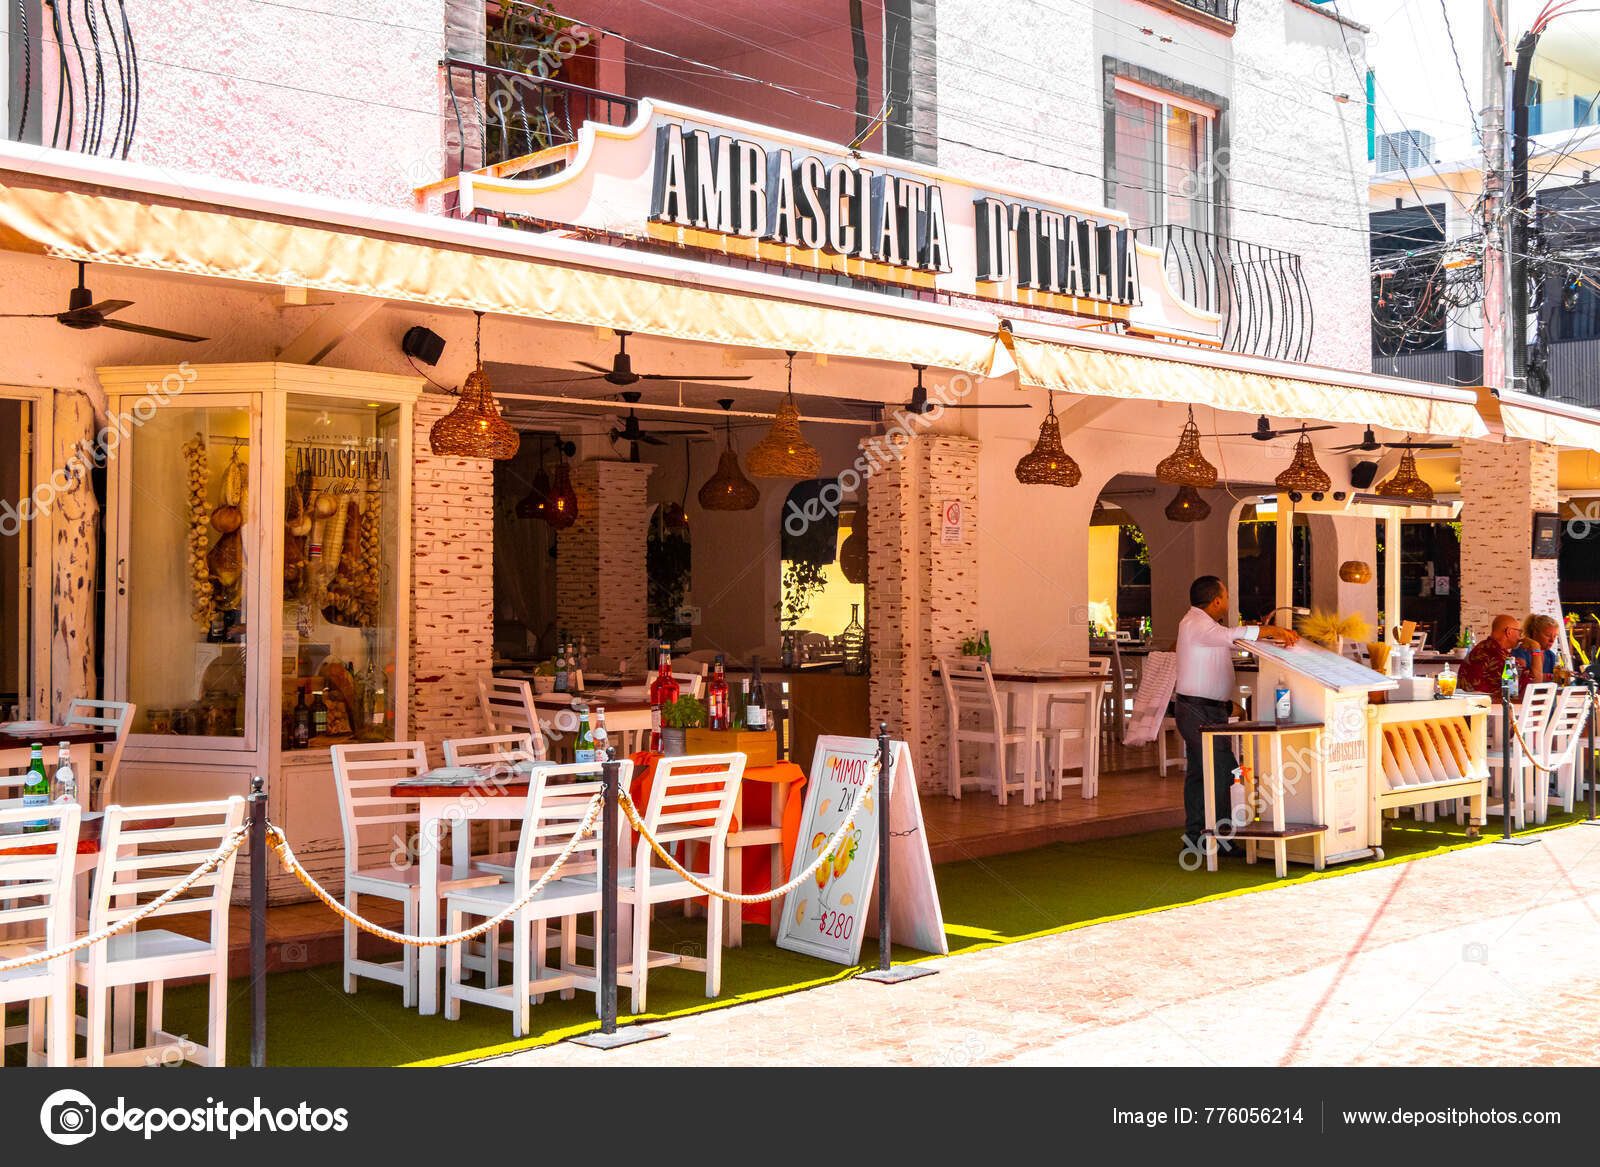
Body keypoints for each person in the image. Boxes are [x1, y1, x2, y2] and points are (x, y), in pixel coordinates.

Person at [1176, 576, 1298, 857]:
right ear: (1217, 600)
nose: (1229, 602)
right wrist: (1271, 630)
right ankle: (1219, 838)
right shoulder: (1196, 624)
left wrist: (1266, 634)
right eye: (1227, 596)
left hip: (1206, 708)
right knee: (1223, 771)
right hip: (1198, 710)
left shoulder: (1205, 626)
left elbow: (1233, 639)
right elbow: (1233, 635)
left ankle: (1198, 836)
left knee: (1202, 773)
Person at [1458, 614, 1524, 697]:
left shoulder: (1482, 647)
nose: (1520, 637)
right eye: (1519, 632)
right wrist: (1536, 650)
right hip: (1488, 703)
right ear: (1509, 631)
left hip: (1467, 702)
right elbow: (1526, 684)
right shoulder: (1496, 654)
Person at [1514, 614, 1561, 685]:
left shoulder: (1550, 655)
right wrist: (1550, 677)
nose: (1552, 640)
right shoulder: (1520, 651)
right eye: (1548, 635)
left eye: (1555, 636)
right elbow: (1527, 678)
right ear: (1535, 633)